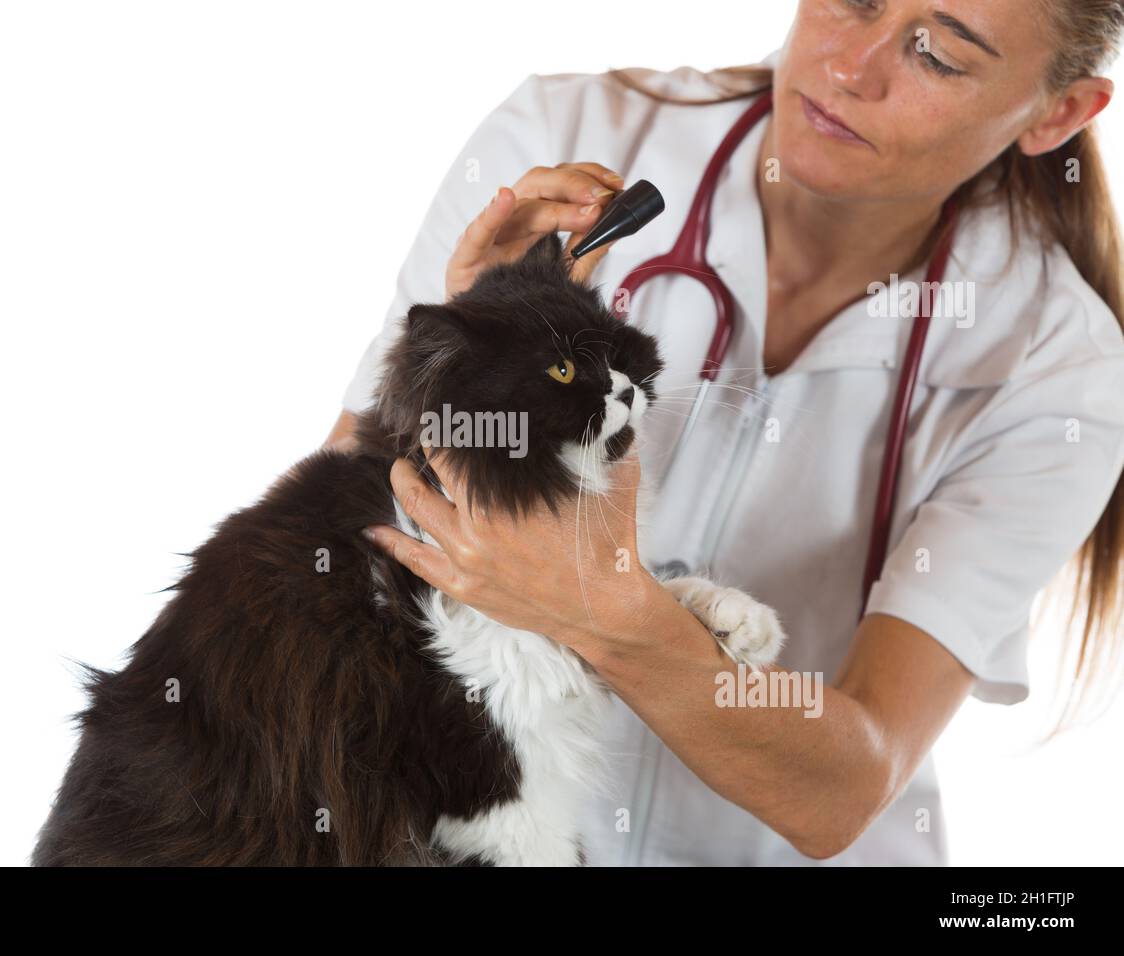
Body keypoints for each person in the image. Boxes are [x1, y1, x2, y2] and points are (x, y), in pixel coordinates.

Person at [325, 0, 1124, 865]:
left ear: (1058, 114)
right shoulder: (567, 135)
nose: (852, 67)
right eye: (854, 0)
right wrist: (457, 380)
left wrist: (616, 613)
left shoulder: (1060, 368)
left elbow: (845, 789)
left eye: (936, 53)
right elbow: (334, 562)